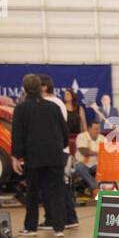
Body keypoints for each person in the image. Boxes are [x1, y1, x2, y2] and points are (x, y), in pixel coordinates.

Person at [10, 74, 69, 237]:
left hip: (34, 157)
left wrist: (16, 157)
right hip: (55, 156)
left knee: (33, 193)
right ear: (39, 87)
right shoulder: (53, 107)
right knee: (56, 192)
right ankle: (59, 228)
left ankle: (31, 227)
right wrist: (61, 146)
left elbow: (17, 135)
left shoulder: (21, 109)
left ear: (24, 88)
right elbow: (65, 132)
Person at [39, 75, 79, 228]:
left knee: (54, 185)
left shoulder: (50, 103)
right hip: (59, 149)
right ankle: (66, 217)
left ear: (44, 87)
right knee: (58, 185)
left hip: (55, 150)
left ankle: (61, 218)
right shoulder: (58, 103)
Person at [74, 121, 105, 195]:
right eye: (95, 129)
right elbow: (84, 152)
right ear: (89, 129)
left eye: (99, 129)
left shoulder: (102, 138)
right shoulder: (81, 136)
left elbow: (106, 153)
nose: (98, 131)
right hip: (83, 163)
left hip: (96, 164)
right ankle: (95, 187)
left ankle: (104, 191)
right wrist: (99, 152)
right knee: (79, 167)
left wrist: (95, 152)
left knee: (106, 167)